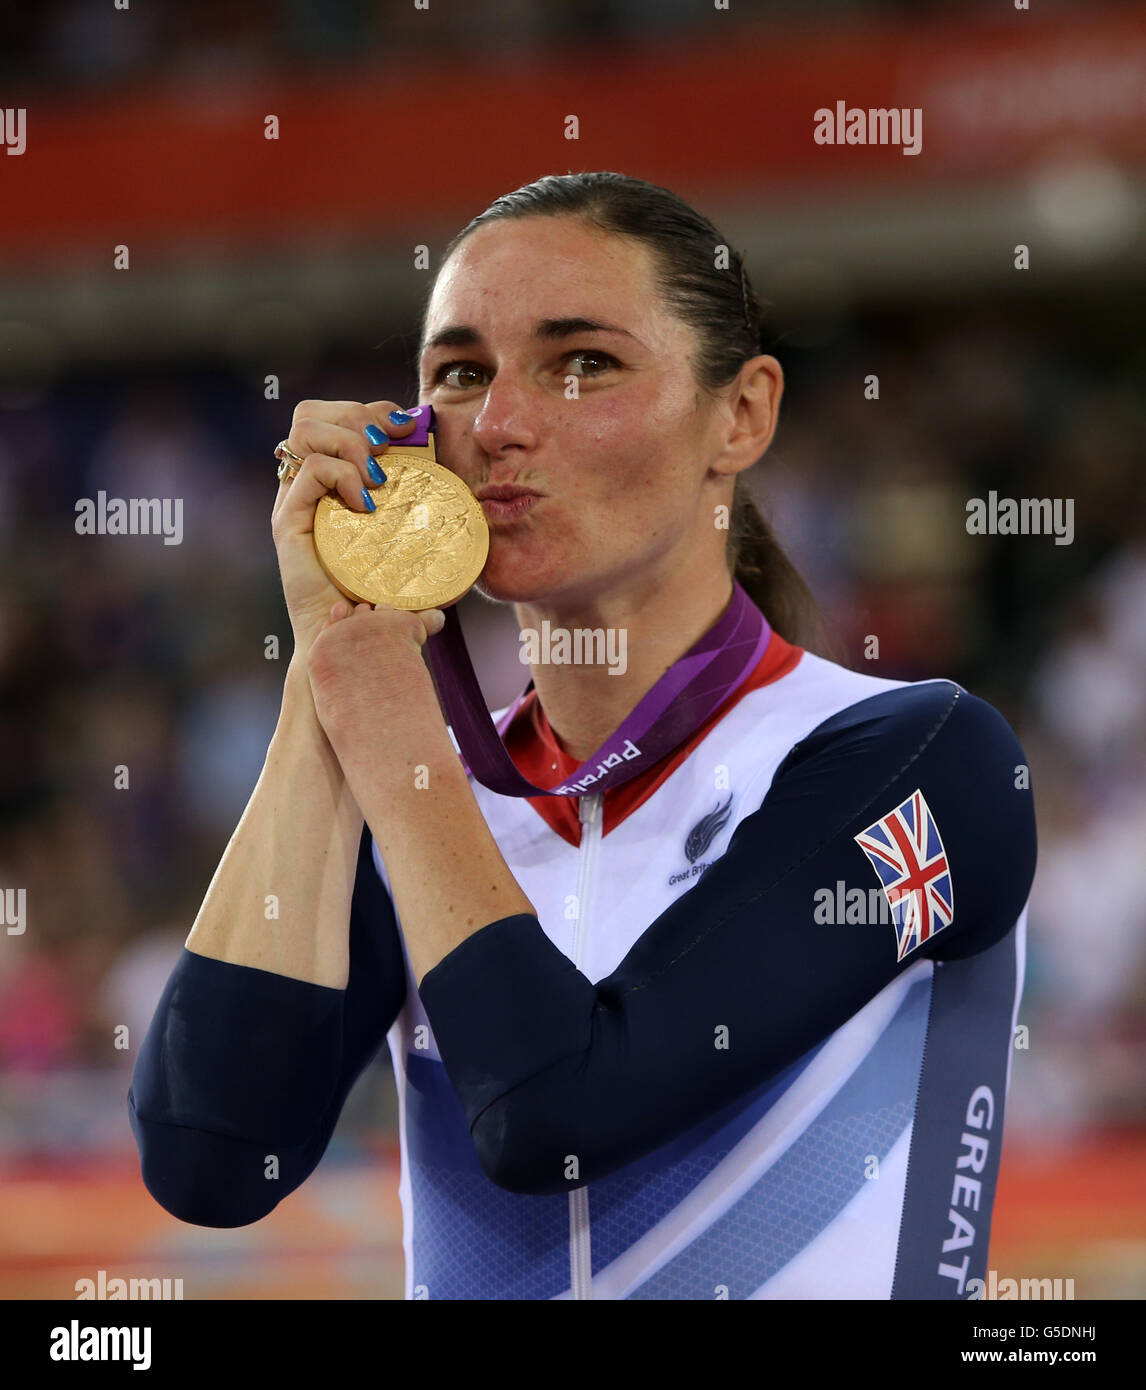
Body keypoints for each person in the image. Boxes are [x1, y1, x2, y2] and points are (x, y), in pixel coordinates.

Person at [128, 171, 1037, 1300]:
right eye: (460, 374)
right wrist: (328, 670)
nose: (499, 424)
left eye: (582, 363)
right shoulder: (426, 791)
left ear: (742, 413)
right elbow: (211, 1158)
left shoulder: (927, 760)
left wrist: (393, 737)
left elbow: (557, 1111)